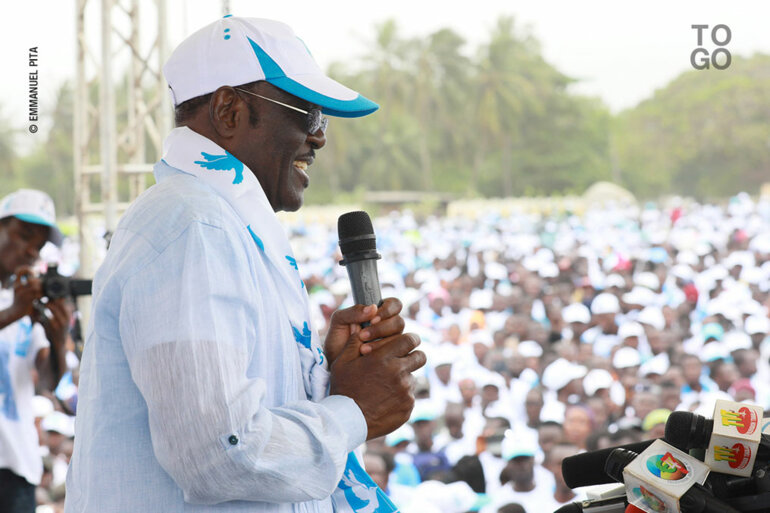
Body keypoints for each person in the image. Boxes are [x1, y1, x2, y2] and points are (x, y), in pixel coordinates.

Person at [65, 17, 425, 513]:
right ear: (229, 110)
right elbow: (217, 454)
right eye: (307, 114)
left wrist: (329, 381)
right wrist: (352, 411)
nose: (319, 137)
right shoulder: (194, 226)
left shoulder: (224, 222)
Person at [0, 189, 70, 513]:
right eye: (24, 235)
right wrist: (13, 312)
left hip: (17, 468)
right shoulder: (20, 305)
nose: (31, 250)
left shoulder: (27, 300)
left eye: (39, 245)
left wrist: (58, 339)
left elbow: (46, 385)